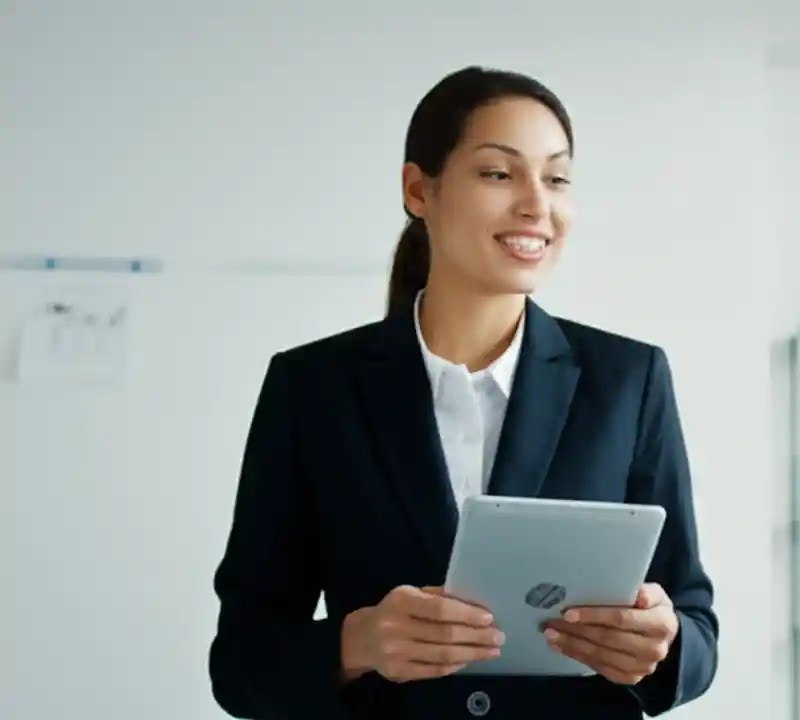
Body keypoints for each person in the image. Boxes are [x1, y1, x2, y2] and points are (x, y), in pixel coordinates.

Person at [208, 66, 718, 719]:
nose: (538, 204)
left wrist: (663, 646)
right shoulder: (313, 388)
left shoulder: (628, 380)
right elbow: (240, 663)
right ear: (420, 190)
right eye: (499, 174)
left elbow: (696, 631)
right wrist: (355, 643)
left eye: (557, 178)